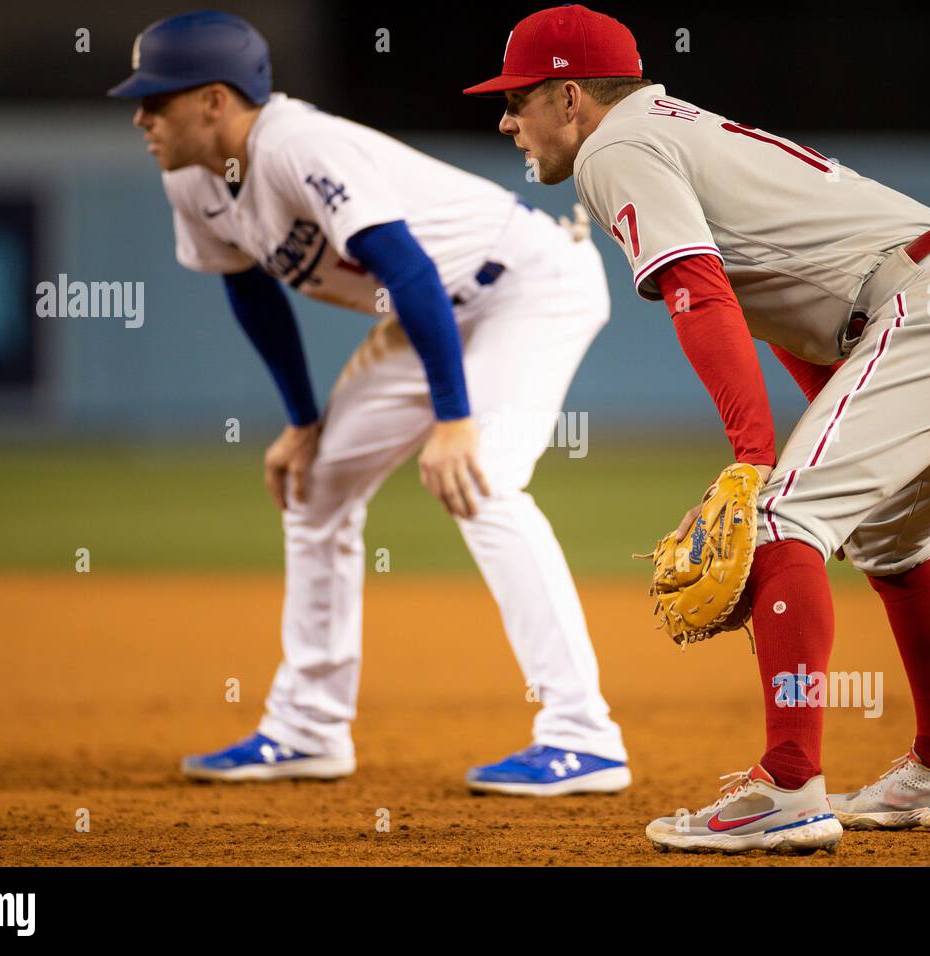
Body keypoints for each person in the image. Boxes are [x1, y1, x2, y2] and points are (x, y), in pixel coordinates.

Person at [466, 4, 930, 850]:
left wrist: (754, 462)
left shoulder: (615, 148)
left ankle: (787, 785)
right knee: (892, 536)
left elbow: (701, 293)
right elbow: (788, 309)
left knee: (781, 517)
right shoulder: (675, 130)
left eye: (518, 98)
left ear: (568, 97)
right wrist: (798, 440)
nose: (506, 119)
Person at [110, 10, 630, 795]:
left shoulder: (296, 146)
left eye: (157, 99)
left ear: (214, 101)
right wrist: (300, 422)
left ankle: (583, 736)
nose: (142, 117)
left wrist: (456, 420)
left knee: (481, 478)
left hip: (523, 286)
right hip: (430, 314)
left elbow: (406, 266)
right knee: (315, 487)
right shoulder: (190, 179)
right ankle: (308, 728)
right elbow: (251, 291)